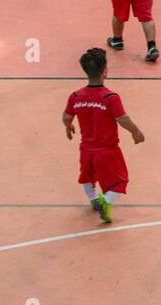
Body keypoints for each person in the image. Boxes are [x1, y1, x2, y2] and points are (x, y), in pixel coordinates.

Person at [62, 47, 145, 224]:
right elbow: (122, 119)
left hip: (86, 150)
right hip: (107, 151)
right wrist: (135, 131)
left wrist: (68, 126)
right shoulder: (110, 98)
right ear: (105, 72)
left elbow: (66, 116)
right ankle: (105, 203)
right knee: (119, 181)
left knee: (87, 176)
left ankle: (93, 200)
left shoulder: (75, 96)